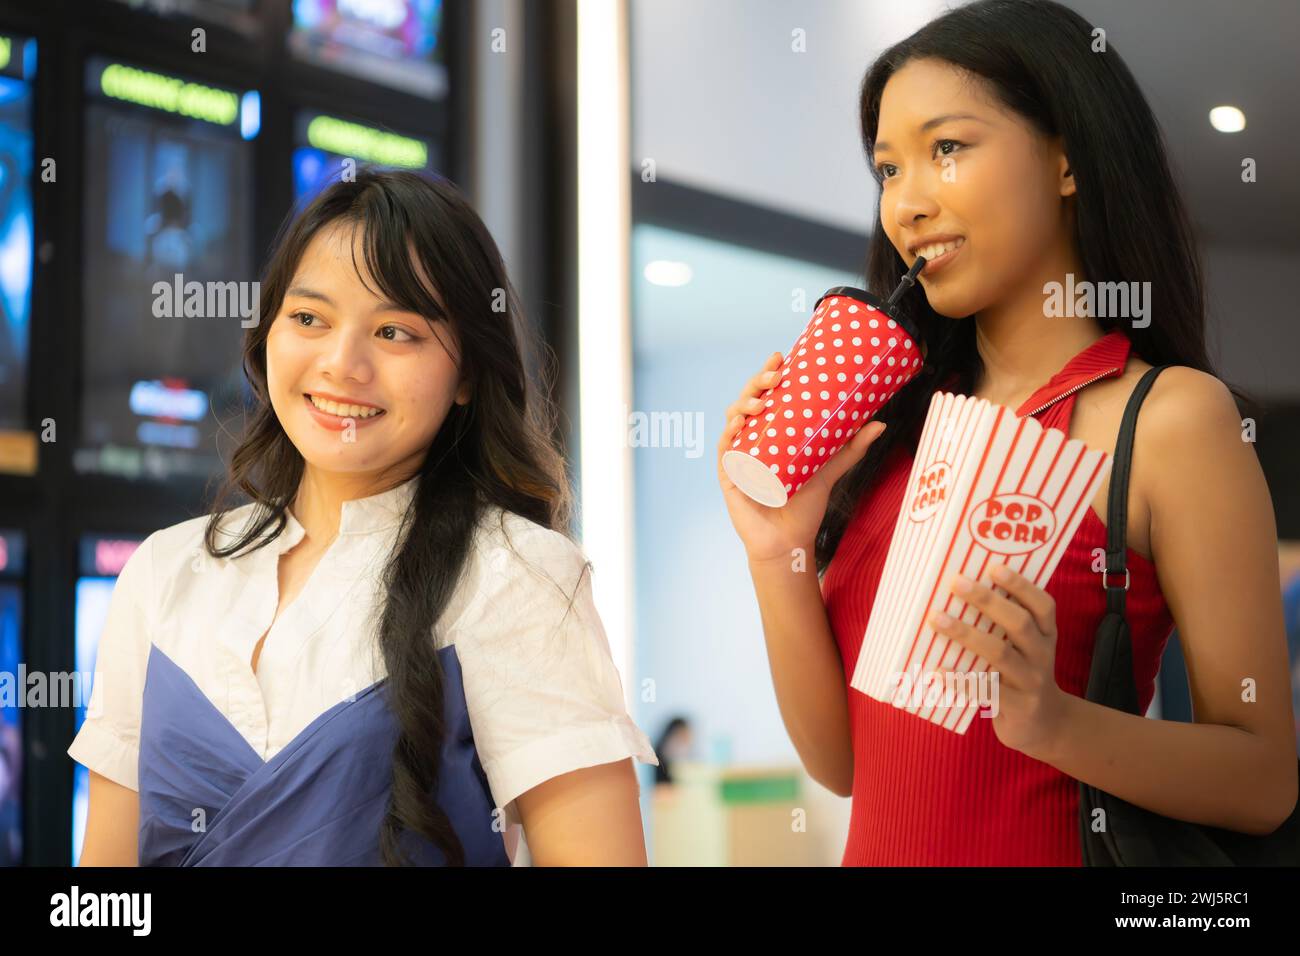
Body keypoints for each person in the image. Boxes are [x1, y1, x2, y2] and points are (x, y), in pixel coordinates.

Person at [718, 0, 1297, 865]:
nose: (906, 204)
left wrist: (1056, 723)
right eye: (886, 170)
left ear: (1067, 159)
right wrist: (776, 549)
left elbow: (1262, 781)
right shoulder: (898, 429)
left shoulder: (1169, 420)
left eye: (946, 148)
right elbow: (842, 766)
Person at [70, 168, 659, 866]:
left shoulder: (517, 576)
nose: (342, 365)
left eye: (394, 331)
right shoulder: (166, 570)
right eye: (309, 319)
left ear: (467, 372)